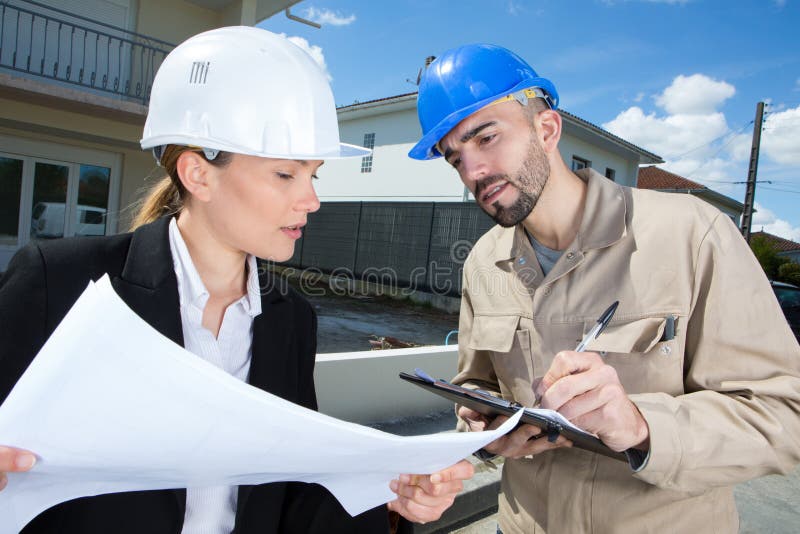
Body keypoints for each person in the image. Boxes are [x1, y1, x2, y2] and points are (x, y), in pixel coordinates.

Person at [0, 27, 473, 534]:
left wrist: (389, 497)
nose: (311, 200)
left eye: (314, 175)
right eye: (285, 174)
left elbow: (288, 497)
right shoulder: (60, 285)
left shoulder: (290, 320)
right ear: (198, 174)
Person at [408, 43, 800, 533]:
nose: (473, 172)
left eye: (485, 138)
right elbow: (477, 388)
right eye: (454, 159)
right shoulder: (484, 262)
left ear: (547, 129)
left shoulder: (692, 236)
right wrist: (485, 435)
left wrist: (640, 425)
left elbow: (784, 416)